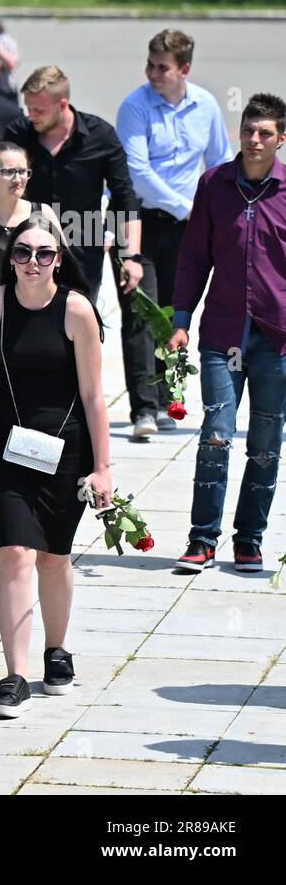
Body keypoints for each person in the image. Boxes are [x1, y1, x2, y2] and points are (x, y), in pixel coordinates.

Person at [0, 214, 110, 718]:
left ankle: (57, 651)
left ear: (59, 259)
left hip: (65, 449)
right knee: (14, 553)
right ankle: (13, 676)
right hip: (7, 446)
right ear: (9, 258)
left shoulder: (76, 311)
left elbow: (95, 396)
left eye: (44, 254)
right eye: (23, 253)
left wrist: (104, 467)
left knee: (53, 557)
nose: (33, 263)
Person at [5, 65, 161, 440]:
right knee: (27, 326)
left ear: (62, 104)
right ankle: (27, 405)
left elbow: (124, 197)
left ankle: (141, 408)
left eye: (38, 109)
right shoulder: (18, 135)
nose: (31, 116)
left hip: (82, 251)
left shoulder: (100, 136)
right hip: (30, 248)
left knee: (79, 327)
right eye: (28, 108)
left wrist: (131, 257)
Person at [168, 92, 286, 575]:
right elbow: (194, 255)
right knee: (216, 435)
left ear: (281, 139)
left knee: (265, 441)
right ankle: (202, 539)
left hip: (276, 339)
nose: (254, 140)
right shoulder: (214, 184)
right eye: (248, 130)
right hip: (221, 334)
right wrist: (180, 319)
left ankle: (249, 540)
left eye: (265, 133)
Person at [117, 29, 233, 417]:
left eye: (161, 67)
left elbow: (219, 161)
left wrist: (220, 212)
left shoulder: (206, 106)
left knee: (175, 313)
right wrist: (189, 206)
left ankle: (171, 397)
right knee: (140, 310)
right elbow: (137, 171)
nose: (152, 73)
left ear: (185, 68)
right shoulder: (135, 106)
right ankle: (143, 409)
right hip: (142, 222)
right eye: (150, 65)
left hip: (188, 228)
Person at [0, 141, 61, 255]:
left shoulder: (44, 213)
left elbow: (64, 263)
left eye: (22, 171)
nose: (18, 180)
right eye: (8, 171)